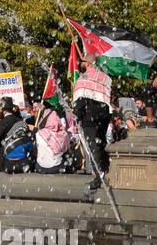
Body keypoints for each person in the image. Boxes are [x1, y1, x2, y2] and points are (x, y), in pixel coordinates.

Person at [72, 57, 113, 198]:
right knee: (101, 143)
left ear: (88, 63)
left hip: (89, 118)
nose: (81, 64)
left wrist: (77, 115)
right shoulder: (105, 77)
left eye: (83, 61)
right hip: (103, 116)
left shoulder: (84, 78)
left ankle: (98, 176)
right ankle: (106, 170)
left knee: (92, 146)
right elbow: (108, 98)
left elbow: (80, 100)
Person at [35, 109, 70, 174]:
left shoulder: (39, 133)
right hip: (57, 167)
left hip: (40, 167)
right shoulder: (64, 135)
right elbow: (67, 151)